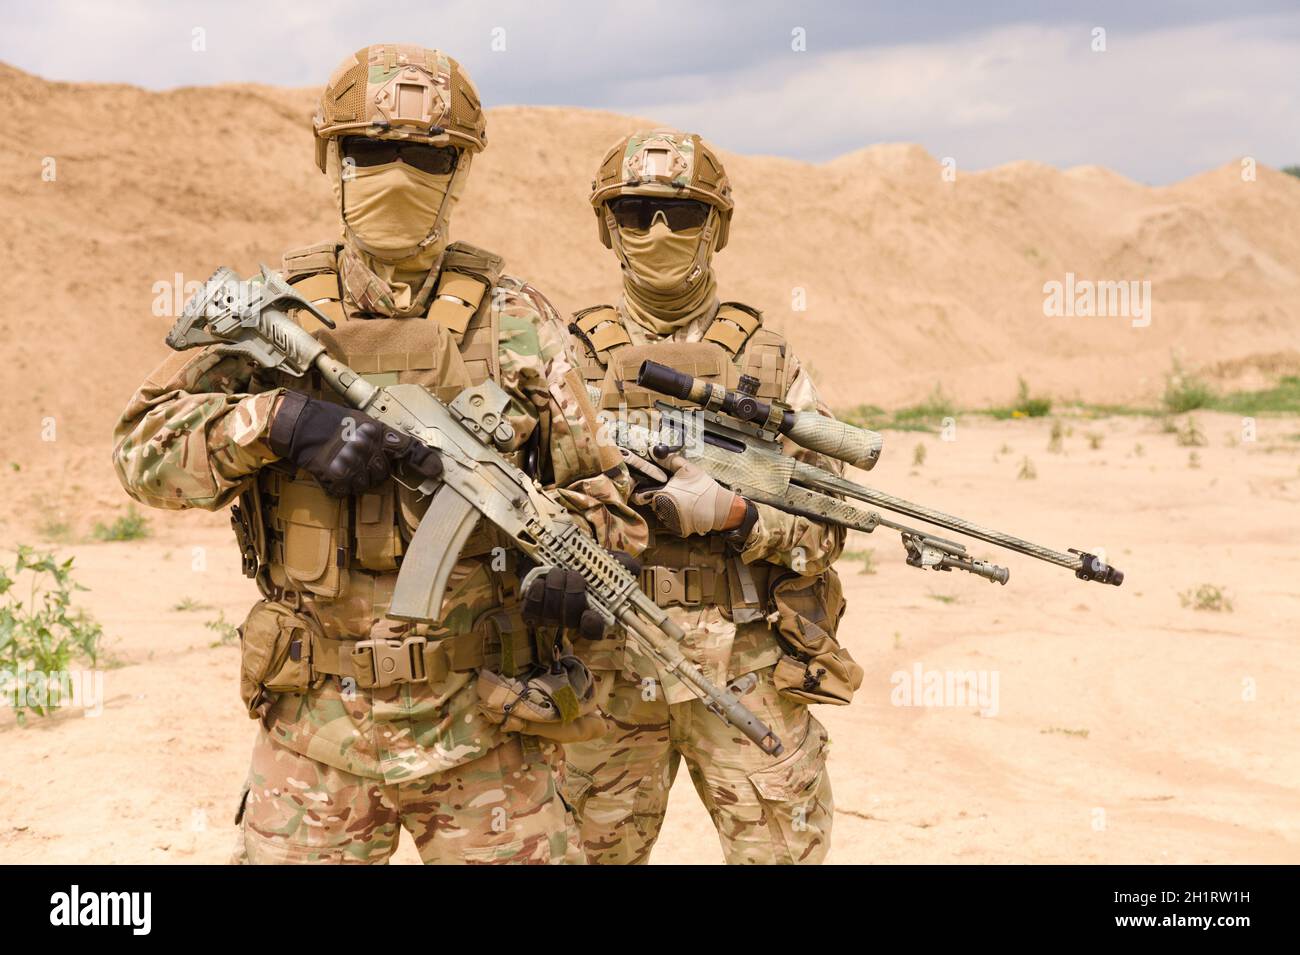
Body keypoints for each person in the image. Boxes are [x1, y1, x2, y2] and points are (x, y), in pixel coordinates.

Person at [112, 43, 644, 864]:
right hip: (314, 734)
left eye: (425, 156)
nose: (396, 172)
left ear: (459, 172)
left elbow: (608, 497)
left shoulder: (520, 323)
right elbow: (141, 452)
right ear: (333, 161)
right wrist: (276, 422)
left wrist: (577, 564)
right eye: (370, 150)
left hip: (487, 732)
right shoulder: (273, 312)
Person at [562, 128, 862, 864]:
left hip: (747, 661)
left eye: (682, 214)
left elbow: (830, 524)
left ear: (715, 227)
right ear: (609, 227)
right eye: (635, 213)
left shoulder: (770, 363)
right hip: (606, 665)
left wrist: (741, 515)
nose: (658, 232)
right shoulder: (562, 358)